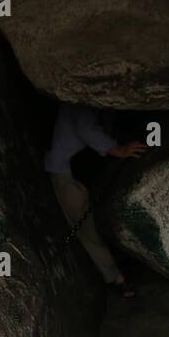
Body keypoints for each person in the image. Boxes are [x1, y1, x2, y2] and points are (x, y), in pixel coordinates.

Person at [45, 103, 145, 295]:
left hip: (84, 169)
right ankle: (116, 278)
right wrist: (118, 150)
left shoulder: (97, 108)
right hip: (67, 174)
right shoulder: (77, 105)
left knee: (96, 220)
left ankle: (120, 263)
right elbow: (87, 129)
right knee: (87, 230)